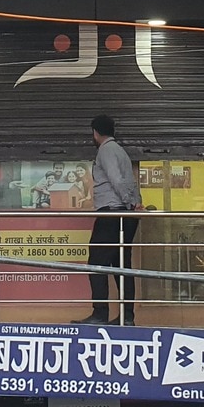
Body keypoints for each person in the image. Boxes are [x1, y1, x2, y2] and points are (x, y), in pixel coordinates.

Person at [80, 114, 142, 326]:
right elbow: (129, 180)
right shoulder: (121, 151)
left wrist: (128, 202)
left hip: (112, 214)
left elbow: (116, 179)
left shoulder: (106, 150)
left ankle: (100, 314)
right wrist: (135, 203)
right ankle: (127, 317)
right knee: (121, 266)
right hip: (125, 215)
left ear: (95, 132)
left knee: (96, 263)